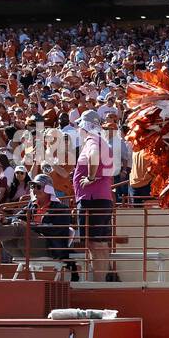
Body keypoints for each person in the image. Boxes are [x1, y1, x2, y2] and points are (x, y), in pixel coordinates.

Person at [72, 110, 117, 281]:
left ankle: (98, 282)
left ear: (85, 125)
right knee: (100, 244)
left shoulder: (92, 141)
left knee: (94, 244)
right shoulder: (103, 142)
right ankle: (101, 281)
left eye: (79, 125)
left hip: (92, 200)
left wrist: (90, 178)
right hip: (101, 198)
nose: (77, 129)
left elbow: (93, 156)